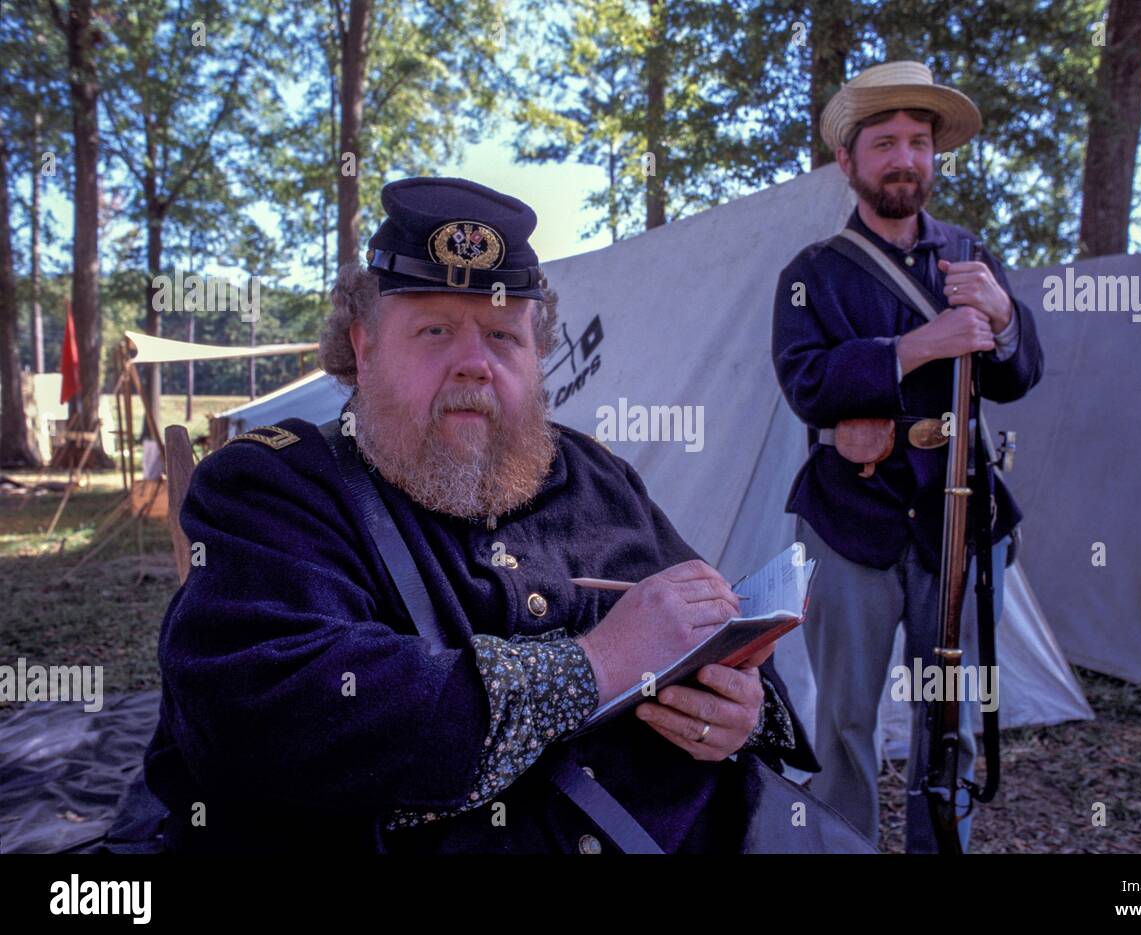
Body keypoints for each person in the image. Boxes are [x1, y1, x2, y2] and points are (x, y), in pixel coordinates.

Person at [143, 177, 827, 854]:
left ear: (537, 357)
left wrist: (739, 708)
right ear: (363, 346)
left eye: (503, 335)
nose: (473, 363)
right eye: (435, 329)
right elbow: (259, 713)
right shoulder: (274, 483)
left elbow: (711, 627)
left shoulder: (598, 474)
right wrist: (594, 665)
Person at [770, 61, 1044, 853]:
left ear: (934, 156)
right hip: (850, 517)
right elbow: (806, 383)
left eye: (918, 142)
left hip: (958, 516)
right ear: (850, 162)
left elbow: (1021, 375)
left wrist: (1004, 318)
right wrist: (917, 346)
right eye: (884, 142)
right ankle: (847, 846)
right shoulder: (811, 274)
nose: (904, 158)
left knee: (948, 710)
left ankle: (940, 847)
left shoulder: (972, 257)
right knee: (847, 717)